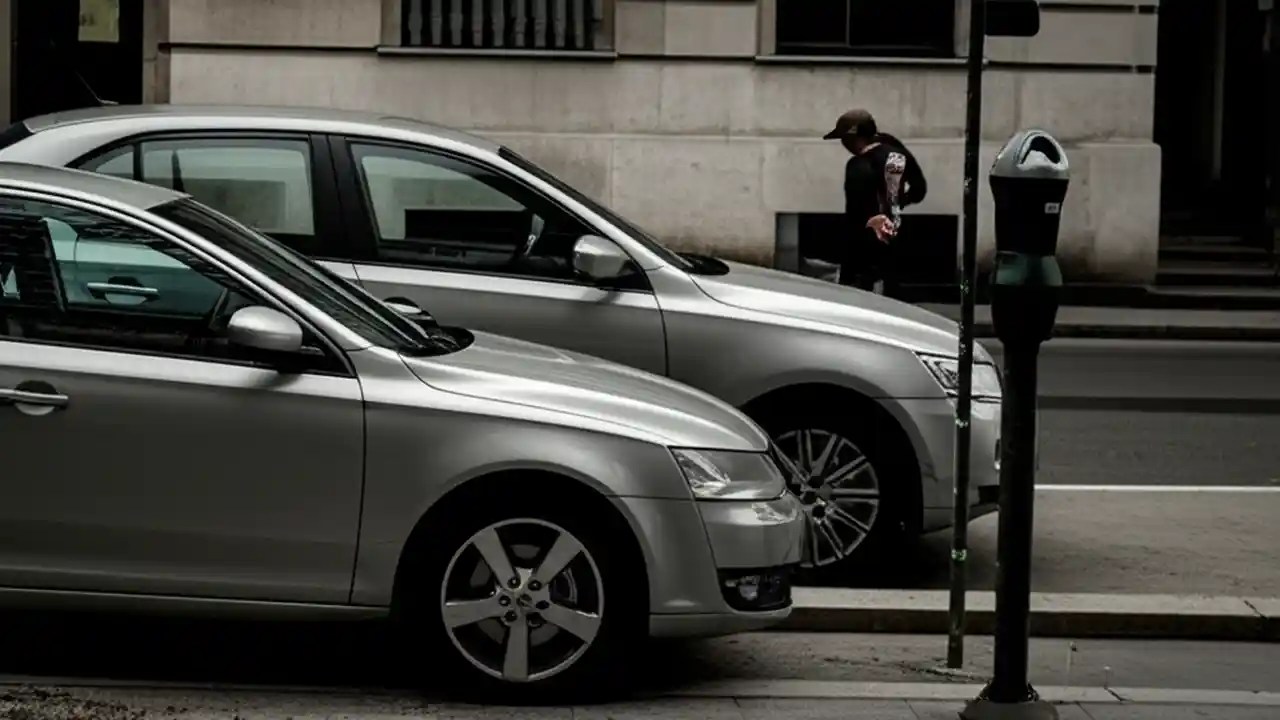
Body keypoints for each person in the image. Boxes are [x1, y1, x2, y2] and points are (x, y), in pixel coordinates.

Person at [823, 109, 927, 296]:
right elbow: (919, 191)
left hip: (864, 250)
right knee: (892, 300)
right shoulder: (897, 155)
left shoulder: (858, 166)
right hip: (896, 243)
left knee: (864, 305)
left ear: (851, 139)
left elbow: (856, 213)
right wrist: (896, 203)